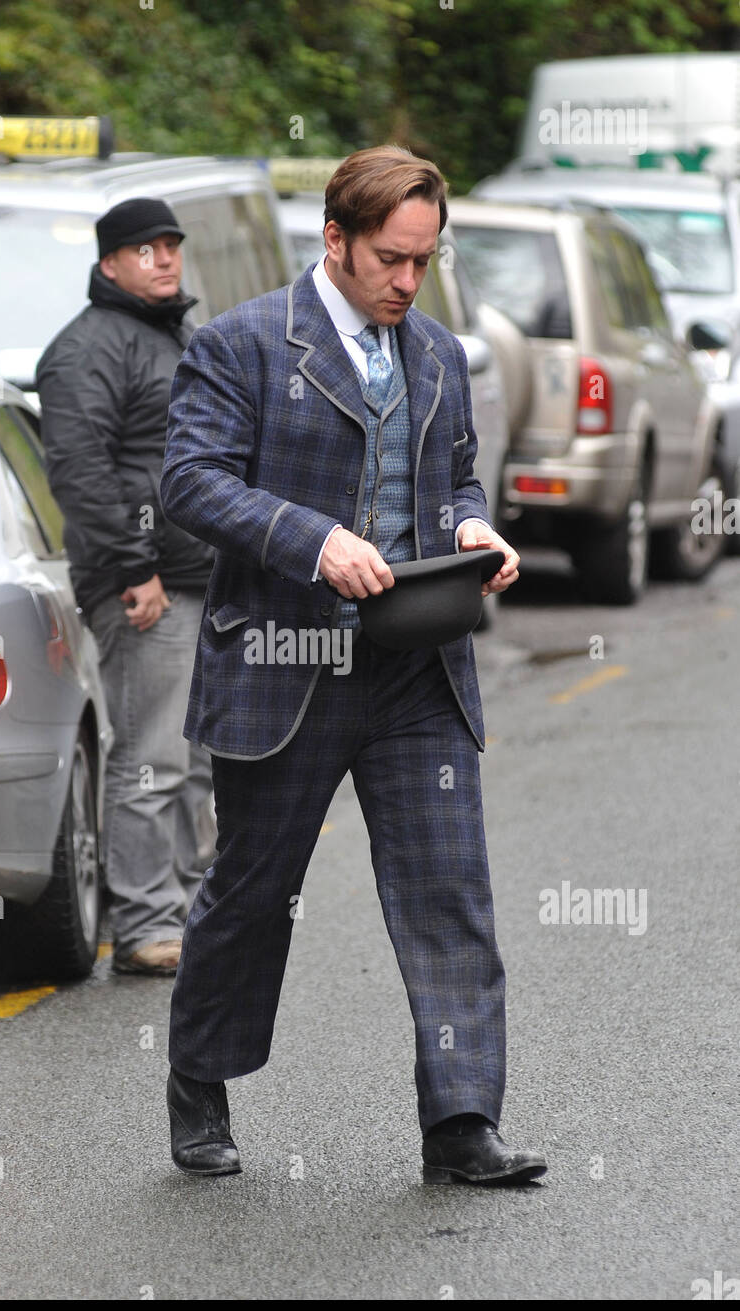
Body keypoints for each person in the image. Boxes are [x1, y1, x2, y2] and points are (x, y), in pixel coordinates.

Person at [160, 147, 547, 1183]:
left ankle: (461, 1123)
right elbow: (190, 482)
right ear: (333, 240)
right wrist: (311, 538)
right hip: (285, 662)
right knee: (252, 893)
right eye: (389, 259)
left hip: (416, 668)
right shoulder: (242, 345)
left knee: (448, 890)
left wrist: (476, 532)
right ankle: (198, 1077)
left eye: (422, 262)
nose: (406, 283)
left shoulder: (435, 353)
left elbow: (455, 478)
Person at [36, 198, 215, 976]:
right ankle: (145, 926)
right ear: (109, 263)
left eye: (170, 245)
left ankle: (187, 912)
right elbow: (79, 472)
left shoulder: (165, 334)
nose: (164, 259)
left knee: (198, 761)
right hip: (146, 587)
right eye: (145, 249)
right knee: (152, 759)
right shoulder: (86, 350)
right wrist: (130, 570)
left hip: (195, 580)